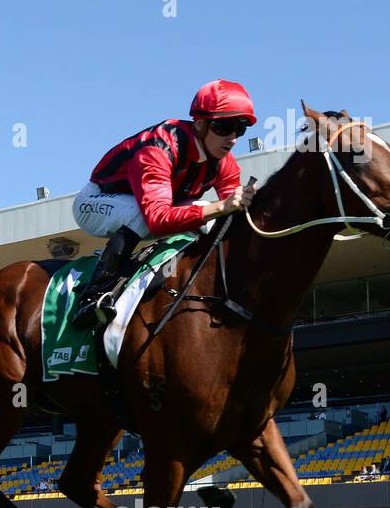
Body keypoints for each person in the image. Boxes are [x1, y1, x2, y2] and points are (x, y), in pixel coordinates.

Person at [69, 80, 258, 326]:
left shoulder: (224, 160)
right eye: (224, 127)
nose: (232, 139)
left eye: (240, 130)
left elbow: (233, 217)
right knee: (142, 216)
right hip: (94, 202)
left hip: (151, 205)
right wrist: (221, 207)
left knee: (212, 221)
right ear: (199, 124)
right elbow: (157, 220)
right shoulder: (158, 147)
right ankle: (93, 296)